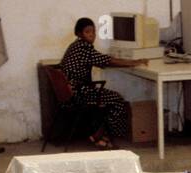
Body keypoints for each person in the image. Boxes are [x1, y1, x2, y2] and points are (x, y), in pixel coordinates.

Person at [60, 17, 149, 149]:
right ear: (79, 33)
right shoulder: (84, 48)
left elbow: (103, 60)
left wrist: (118, 61)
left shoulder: (75, 46)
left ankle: (99, 134)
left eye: (94, 31)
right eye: (88, 32)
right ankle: (101, 136)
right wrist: (134, 62)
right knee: (117, 100)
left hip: (71, 92)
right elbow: (108, 61)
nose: (92, 35)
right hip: (80, 93)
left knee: (109, 99)